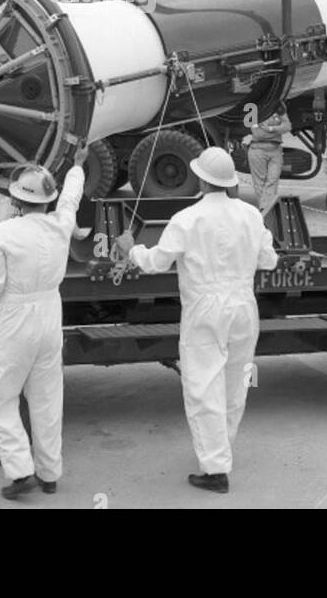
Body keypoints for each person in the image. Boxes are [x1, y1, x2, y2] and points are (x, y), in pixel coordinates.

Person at [116, 146, 277, 494]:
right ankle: (222, 449)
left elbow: (156, 262)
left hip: (205, 308)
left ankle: (216, 468)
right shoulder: (251, 214)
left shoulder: (187, 218)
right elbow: (270, 261)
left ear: (200, 179)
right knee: (237, 384)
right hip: (243, 305)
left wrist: (131, 249)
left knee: (204, 387)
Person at [0, 147, 92, 500]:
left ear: (16, 199)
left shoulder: (4, 233)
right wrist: (77, 166)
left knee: (2, 401)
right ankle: (49, 475)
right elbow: (71, 201)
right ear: (47, 199)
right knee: (47, 400)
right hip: (50, 313)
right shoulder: (60, 225)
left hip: (16, 317)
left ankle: (20, 473)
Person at [245, 101, 292, 218]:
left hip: (275, 150)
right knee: (260, 183)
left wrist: (271, 128)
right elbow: (257, 132)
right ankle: (267, 212)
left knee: (272, 181)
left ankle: (265, 211)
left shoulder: (278, 106)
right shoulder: (253, 107)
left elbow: (288, 126)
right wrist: (278, 128)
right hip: (257, 149)